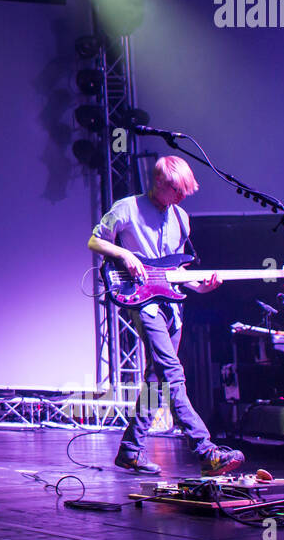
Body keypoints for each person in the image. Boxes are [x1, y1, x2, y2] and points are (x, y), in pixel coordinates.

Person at [88, 155, 246, 476]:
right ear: (159, 182)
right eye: (177, 190)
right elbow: (95, 240)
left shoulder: (182, 218)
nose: (182, 196)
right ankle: (205, 449)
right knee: (172, 372)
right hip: (142, 301)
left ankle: (131, 450)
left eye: (186, 191)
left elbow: (176, 271)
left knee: (157, 380)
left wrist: (203, 287)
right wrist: (124, 253)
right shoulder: (127, 208)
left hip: (171, 304)